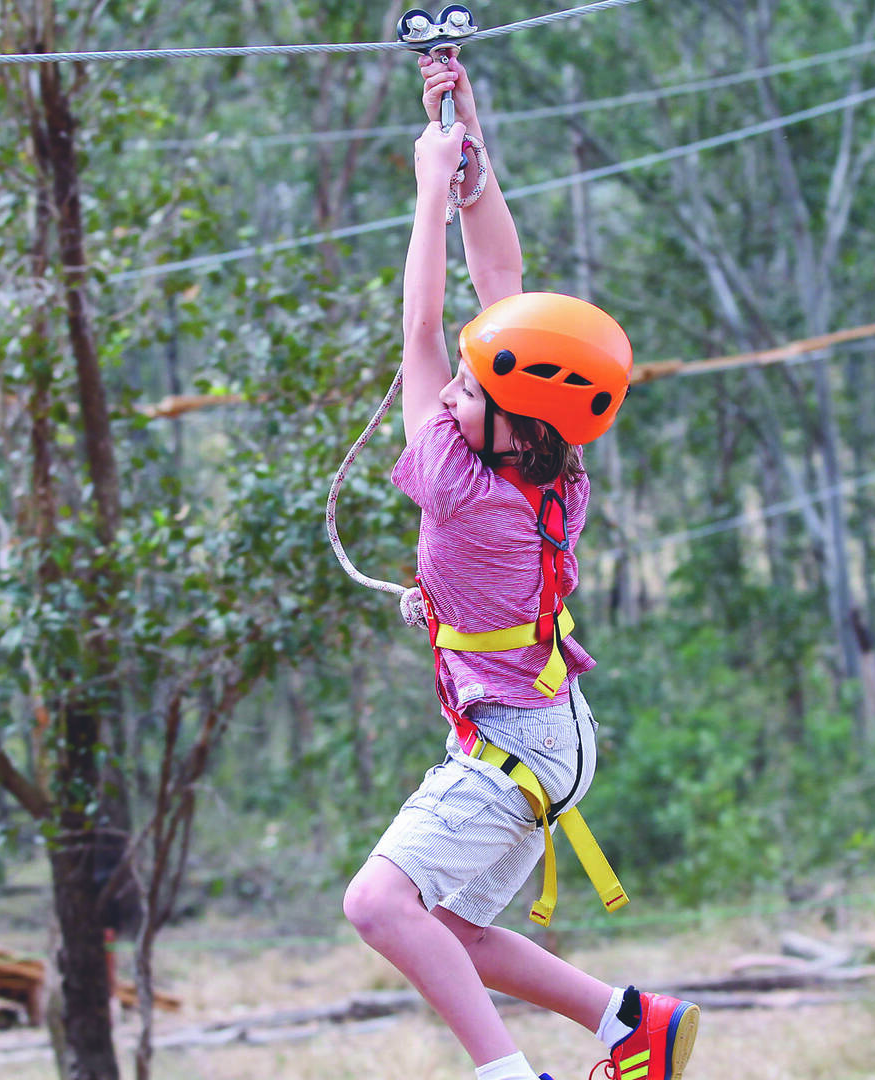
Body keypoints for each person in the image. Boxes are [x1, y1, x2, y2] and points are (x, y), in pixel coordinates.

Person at [341, 53, 699, 1080]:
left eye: (471, 381)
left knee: (379, 905)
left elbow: (419, 325)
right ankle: (634, 1022)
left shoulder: (456, 478)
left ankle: (509, 1077)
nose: (453, 379)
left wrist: (425, 189)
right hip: (546, 727)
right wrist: (469, 156)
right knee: (440, 923)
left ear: (501, 417)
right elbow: (505, 287)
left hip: (516, 736)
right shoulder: (553, 464)